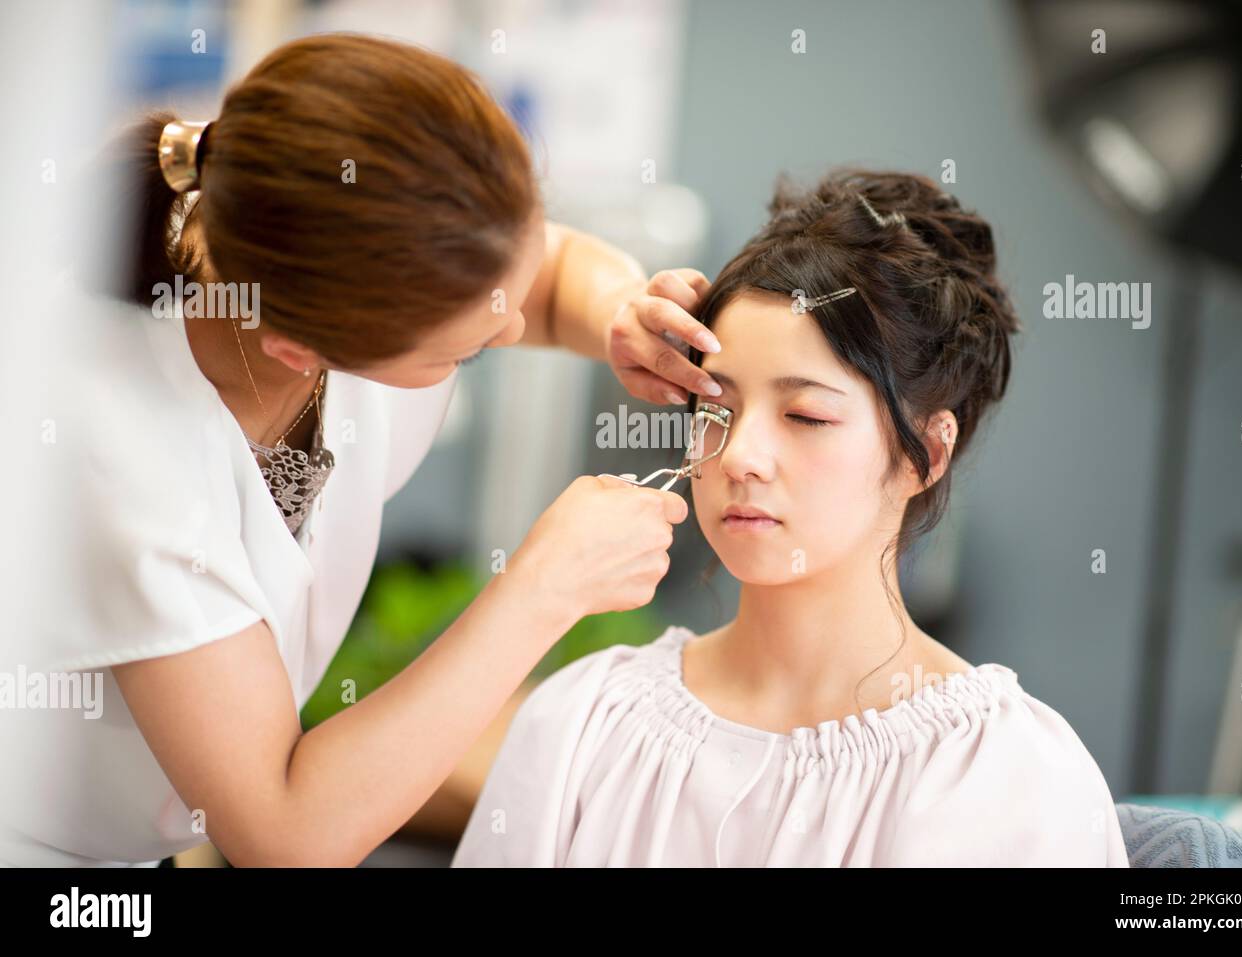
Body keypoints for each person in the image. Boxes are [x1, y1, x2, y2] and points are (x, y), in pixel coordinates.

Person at [0, 32, 723, 867]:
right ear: (300, 352)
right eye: (467, 351)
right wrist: (541, 590)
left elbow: (546, 276)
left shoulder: (352, 256)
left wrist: (618, 310)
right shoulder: (119, 447)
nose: (517, 325)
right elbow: (286, 833)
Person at [451, 168, 1131, 867]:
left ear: (925, 452)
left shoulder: (1002, 777)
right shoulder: (582, 722)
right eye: (715, 408)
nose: (739, 455)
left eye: (805, 415)